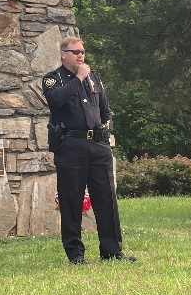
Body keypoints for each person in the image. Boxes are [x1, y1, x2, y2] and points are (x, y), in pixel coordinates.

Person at [42, 37, 136, 265]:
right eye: (75, 52)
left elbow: (106, 109)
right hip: (71, 145)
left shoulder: (94, 78)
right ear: (63, 54)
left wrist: (105, 130)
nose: (80, 56)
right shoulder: (53, 80)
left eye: (82, 51)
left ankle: (111, 250)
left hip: (98, 145)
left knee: (106, 198)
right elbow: (57, 101)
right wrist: (79, 77)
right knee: (71, 199)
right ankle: (75, 254)